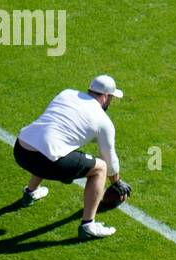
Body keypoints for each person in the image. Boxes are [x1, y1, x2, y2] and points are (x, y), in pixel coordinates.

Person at [12, 74, 130, 240]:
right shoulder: (104, 121)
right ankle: (88, 225)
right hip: (45, 161)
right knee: (100, 168)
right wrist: (116, 182)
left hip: (21, 148)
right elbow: (109, 158)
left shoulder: (66, 93)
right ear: (105, 96)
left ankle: (30, 193)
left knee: (49, 143)